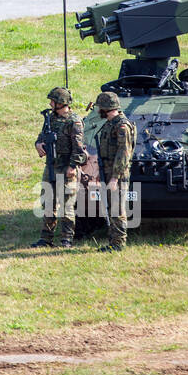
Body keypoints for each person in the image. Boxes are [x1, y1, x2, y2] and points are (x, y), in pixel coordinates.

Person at [32, 86, 87, 248]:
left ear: (61, 103)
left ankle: (66, 239)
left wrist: (72, 166)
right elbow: (40, 137)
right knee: (47, 202)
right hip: (51, 166)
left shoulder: (74, 122)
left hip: (67, 167)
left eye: (53, 101)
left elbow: (78, 148)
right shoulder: (51, 119)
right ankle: (46, 238)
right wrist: (38, 145)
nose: (50, 104)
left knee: (67, 204)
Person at [94, 91, 136, 251]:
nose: (98, 111)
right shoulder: (110, 124)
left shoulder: (122, 126)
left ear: (106, 108)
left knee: (117, 209)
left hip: (116, 175)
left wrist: (114, 178)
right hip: (108, 172)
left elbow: (123, 154)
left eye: (100, 108)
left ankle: (118, 243)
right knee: (111, 208)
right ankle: (113, 241)